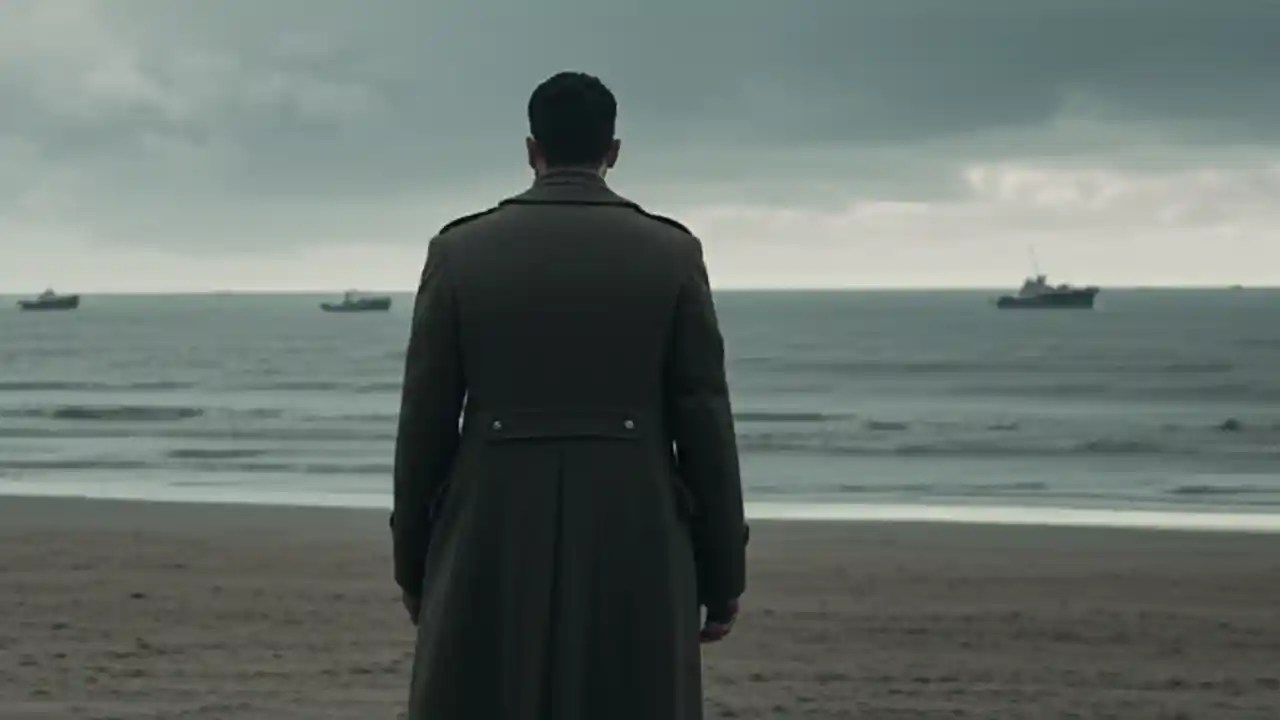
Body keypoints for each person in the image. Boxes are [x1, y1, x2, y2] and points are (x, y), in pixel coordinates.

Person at [391, 70, 748, 719]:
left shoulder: (458, 252)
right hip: (636, 521)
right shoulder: (672, 252)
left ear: (533, 149)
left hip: (490, 523)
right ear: (613, 151)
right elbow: (704, 420)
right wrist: (724, 575)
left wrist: (413, 564)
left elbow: (425, 422)